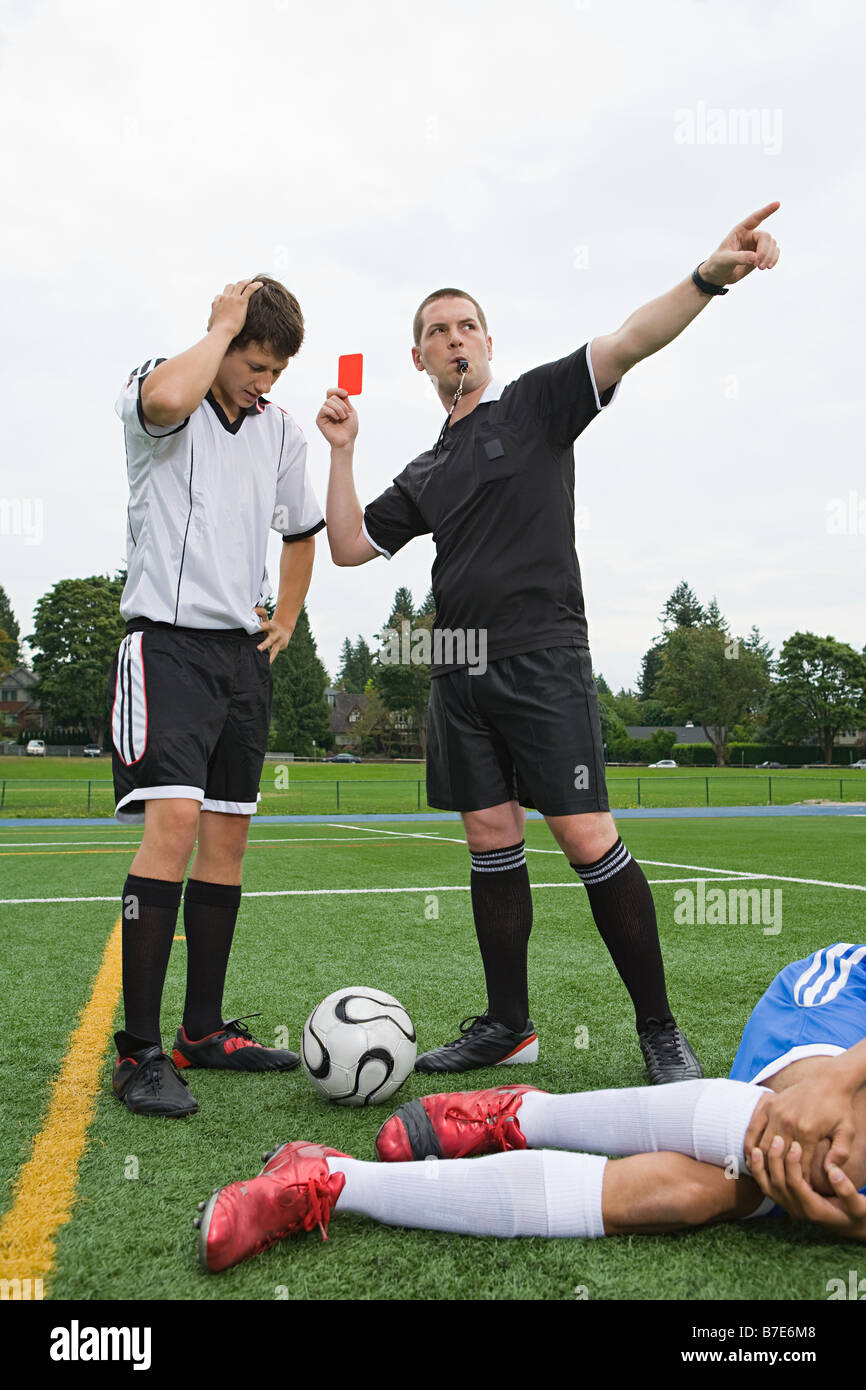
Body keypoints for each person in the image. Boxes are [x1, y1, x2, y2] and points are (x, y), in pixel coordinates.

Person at [317, 205, 781, 1082]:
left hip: (543, 657)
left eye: (465, 327)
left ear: (487, 342)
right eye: (435, 332)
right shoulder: (422, 470)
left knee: (585, 836)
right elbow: (346, 546)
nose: (453, 340)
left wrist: (708, 277)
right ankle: (507, 1024)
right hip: (456, 668)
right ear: (418, 358)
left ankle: (661, 1034)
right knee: (490, 835)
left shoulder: (533, 404)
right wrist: (341, 450)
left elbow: (629, 340)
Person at [194, 942, 866, 1272]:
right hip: (849, 1009)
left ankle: (333, 1179)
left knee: (694, 1194)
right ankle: (530, 1117)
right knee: (815, 1144)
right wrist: (840, 1081)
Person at [110, 276, 325, 1118]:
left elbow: (300, 531)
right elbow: (168, 395)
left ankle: (202, 1030)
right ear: (227, 339)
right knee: (173, 825)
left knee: (227, 841)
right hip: (165, 644)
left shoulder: (281, 433)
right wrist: (221, 326)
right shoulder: (164, 389)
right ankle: (138, 1053)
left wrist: (289, 619)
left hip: (242, 658)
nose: (262, 382)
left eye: (276, 371)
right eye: (254, 363)